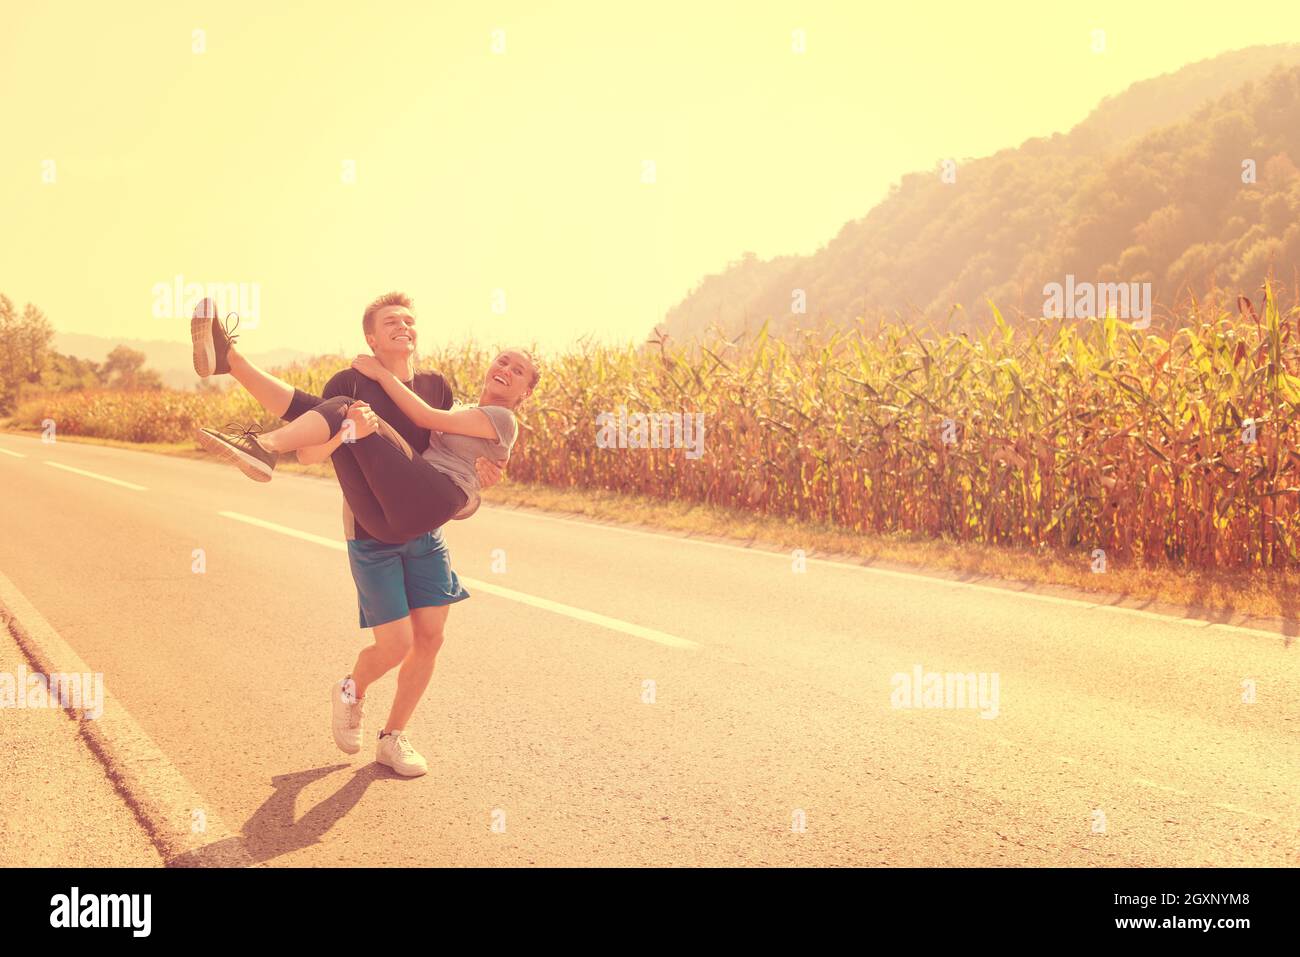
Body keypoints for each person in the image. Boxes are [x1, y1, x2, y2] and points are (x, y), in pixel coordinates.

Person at [190, 291, 505, 777]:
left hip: (423, 525)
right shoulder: (351, 381)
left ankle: (394, 737)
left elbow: (450, 443)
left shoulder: (435, 388)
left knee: (431, 636)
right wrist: (341, 431)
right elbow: (302, 418)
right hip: (371, 523)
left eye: (409, 319)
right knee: (394, 644)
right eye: (390, 321)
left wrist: (482, 471)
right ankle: (352, 690)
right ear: (371, 338)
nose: (403, 326)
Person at [196, 347, 537, 540]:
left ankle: (265, 445)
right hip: (387, 523)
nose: (506, 369)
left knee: (350, 408)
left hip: (432, 500)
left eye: (518, 370)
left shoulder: (503, 419)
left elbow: (426, 418)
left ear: (525, 392)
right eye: (503, 361)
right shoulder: (464, 409)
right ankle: (232, 363)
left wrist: (380, 373)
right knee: (342, 419)